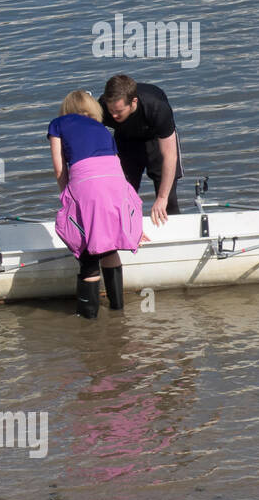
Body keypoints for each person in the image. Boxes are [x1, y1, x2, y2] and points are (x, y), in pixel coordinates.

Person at [48, 90, 144, 319]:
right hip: (115, 183)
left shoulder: (58, 124)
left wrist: (66, 196)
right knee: (109, 245)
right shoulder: (103, 129)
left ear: (67, 108)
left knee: (89, 254)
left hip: (88, 183)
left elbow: (60, 168)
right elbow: (116, 165)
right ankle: (117, 311)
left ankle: (87, 320)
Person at [99, 74, 183, 226]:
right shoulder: (103, 107)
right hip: (126, 140)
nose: (113, 115)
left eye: (118, 111)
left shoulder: (157, 107)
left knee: (168, 199)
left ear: (133, 102)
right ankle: (126, 232)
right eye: (111, 111)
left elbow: (170, 155)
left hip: (156, 140)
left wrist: (162, 198)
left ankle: (173, 235)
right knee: (121, 195)